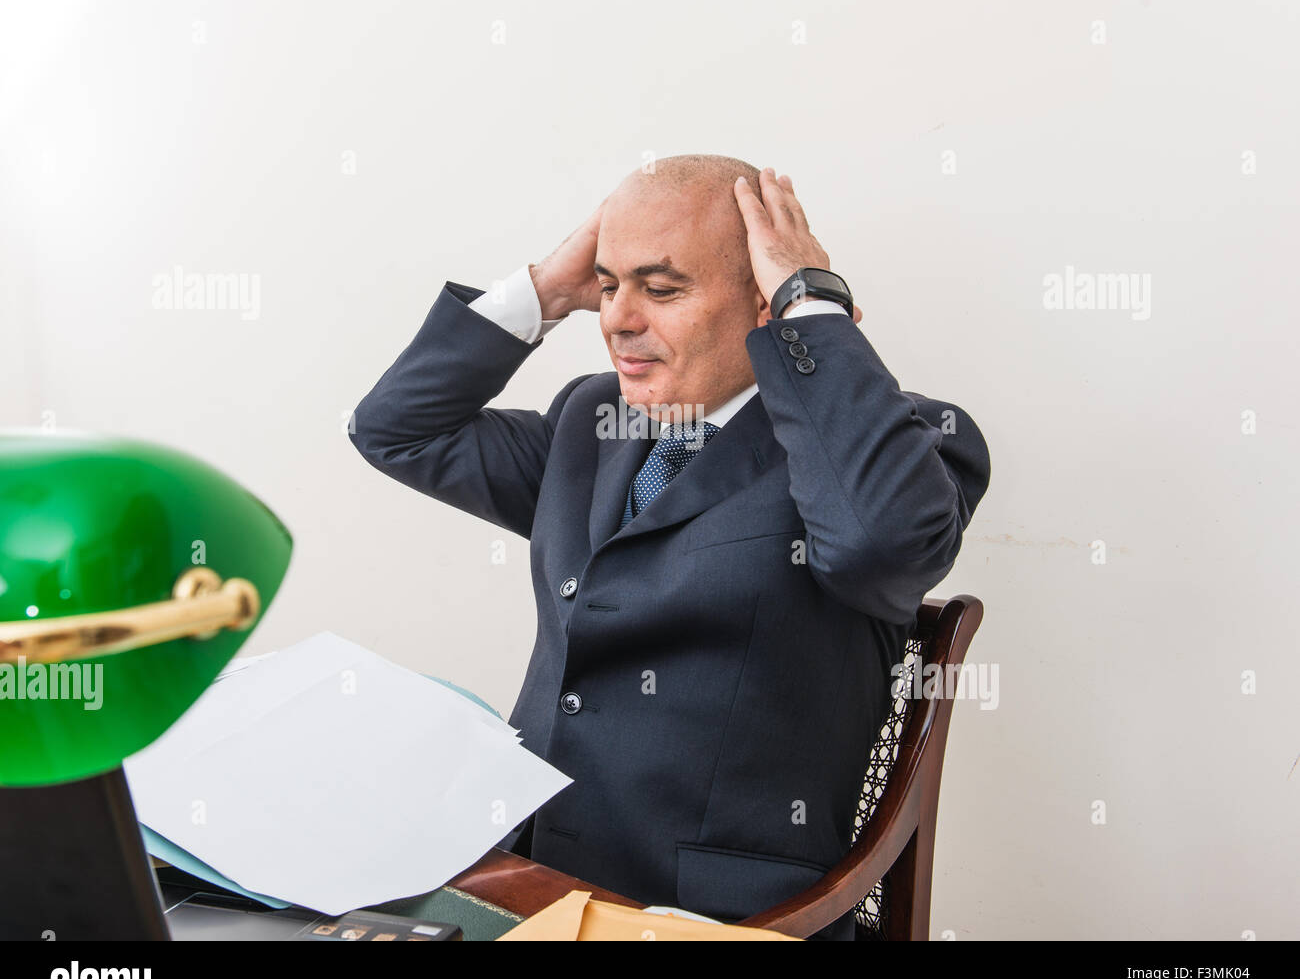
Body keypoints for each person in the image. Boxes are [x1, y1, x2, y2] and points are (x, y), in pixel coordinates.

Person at [349, 155, 991, 939]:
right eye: (609, 283)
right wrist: (548, 290)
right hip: (514, 877)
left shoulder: (898, 446)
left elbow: (874, 546)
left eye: (661, 288)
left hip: (709, 917)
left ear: (766, 296)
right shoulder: (591, 420)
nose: (619, 318)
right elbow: (395, 429)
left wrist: (812, 303)